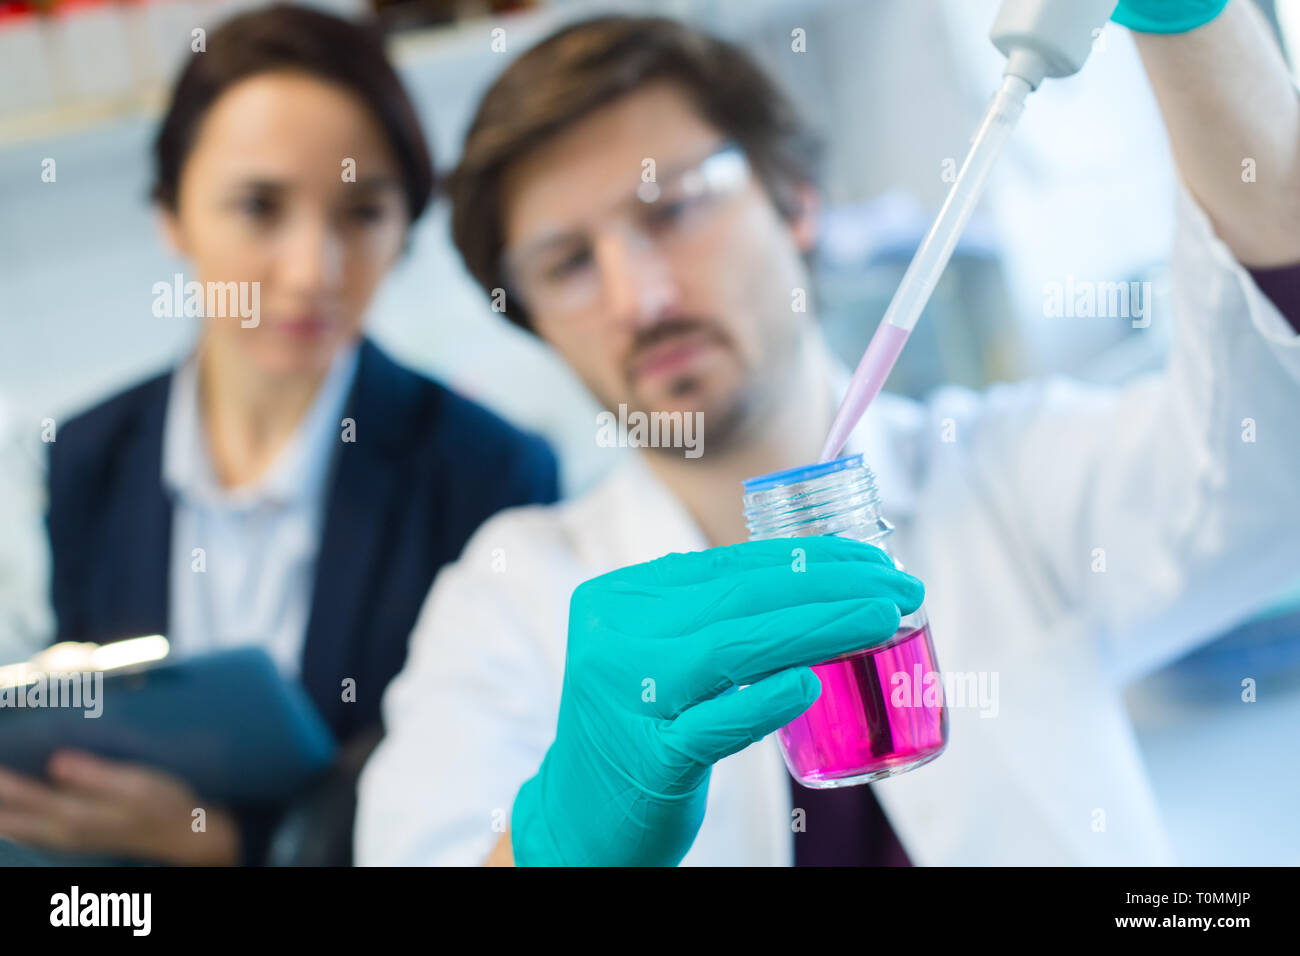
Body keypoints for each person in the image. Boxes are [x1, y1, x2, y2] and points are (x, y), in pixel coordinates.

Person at [356, 2, 1300, 866]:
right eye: (566, 263)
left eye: (673, 207)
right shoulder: (509, 603)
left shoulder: (1006, 477)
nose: (639, 298)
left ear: (797, 201)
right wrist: (556, 845)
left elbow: (1276, 444)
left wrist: (1197, 24)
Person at [0, 5, 558, 867]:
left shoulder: (487, 474)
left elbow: (490, 805)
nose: (312, 272)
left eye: (361, 213)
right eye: (260, 207)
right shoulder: (87, 457)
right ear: (171, 216)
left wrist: (228, 847)